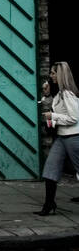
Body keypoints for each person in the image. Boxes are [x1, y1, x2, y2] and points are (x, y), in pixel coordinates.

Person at [35, 61, 79, 216]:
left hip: (73, 137)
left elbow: (73, 118)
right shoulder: (60, 94)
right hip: (62, 137)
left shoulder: (68, 94)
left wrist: (53, 116)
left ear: (60, 74)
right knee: (50, 169)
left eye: (53, 73)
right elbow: (55, 110)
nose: (51, 75)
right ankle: (49, 204)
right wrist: (47, 95)